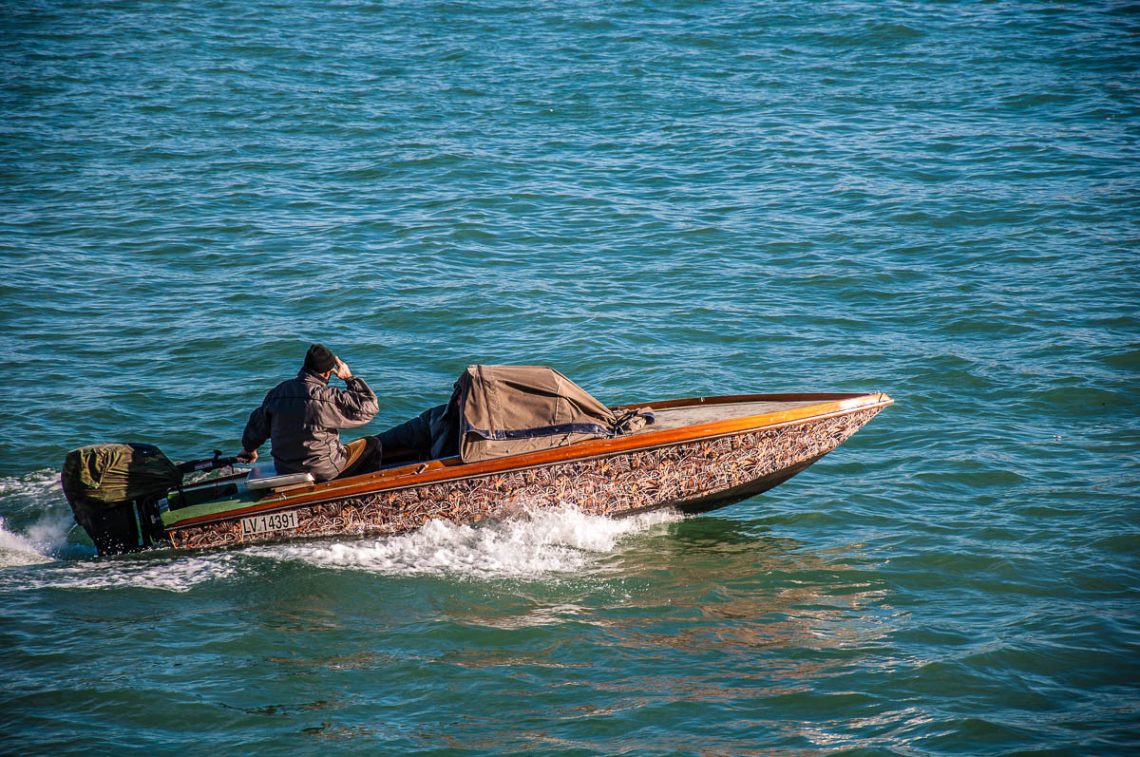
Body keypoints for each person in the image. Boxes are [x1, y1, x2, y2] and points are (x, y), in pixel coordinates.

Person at [236, 344, 381, 482]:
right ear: (327, 373)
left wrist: (249, 449)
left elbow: (257, 425)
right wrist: (350, 378)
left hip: (285, 468)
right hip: (323, 470)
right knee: (372, 444)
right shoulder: (326, 398)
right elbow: (369, 407)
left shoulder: (278, 392)